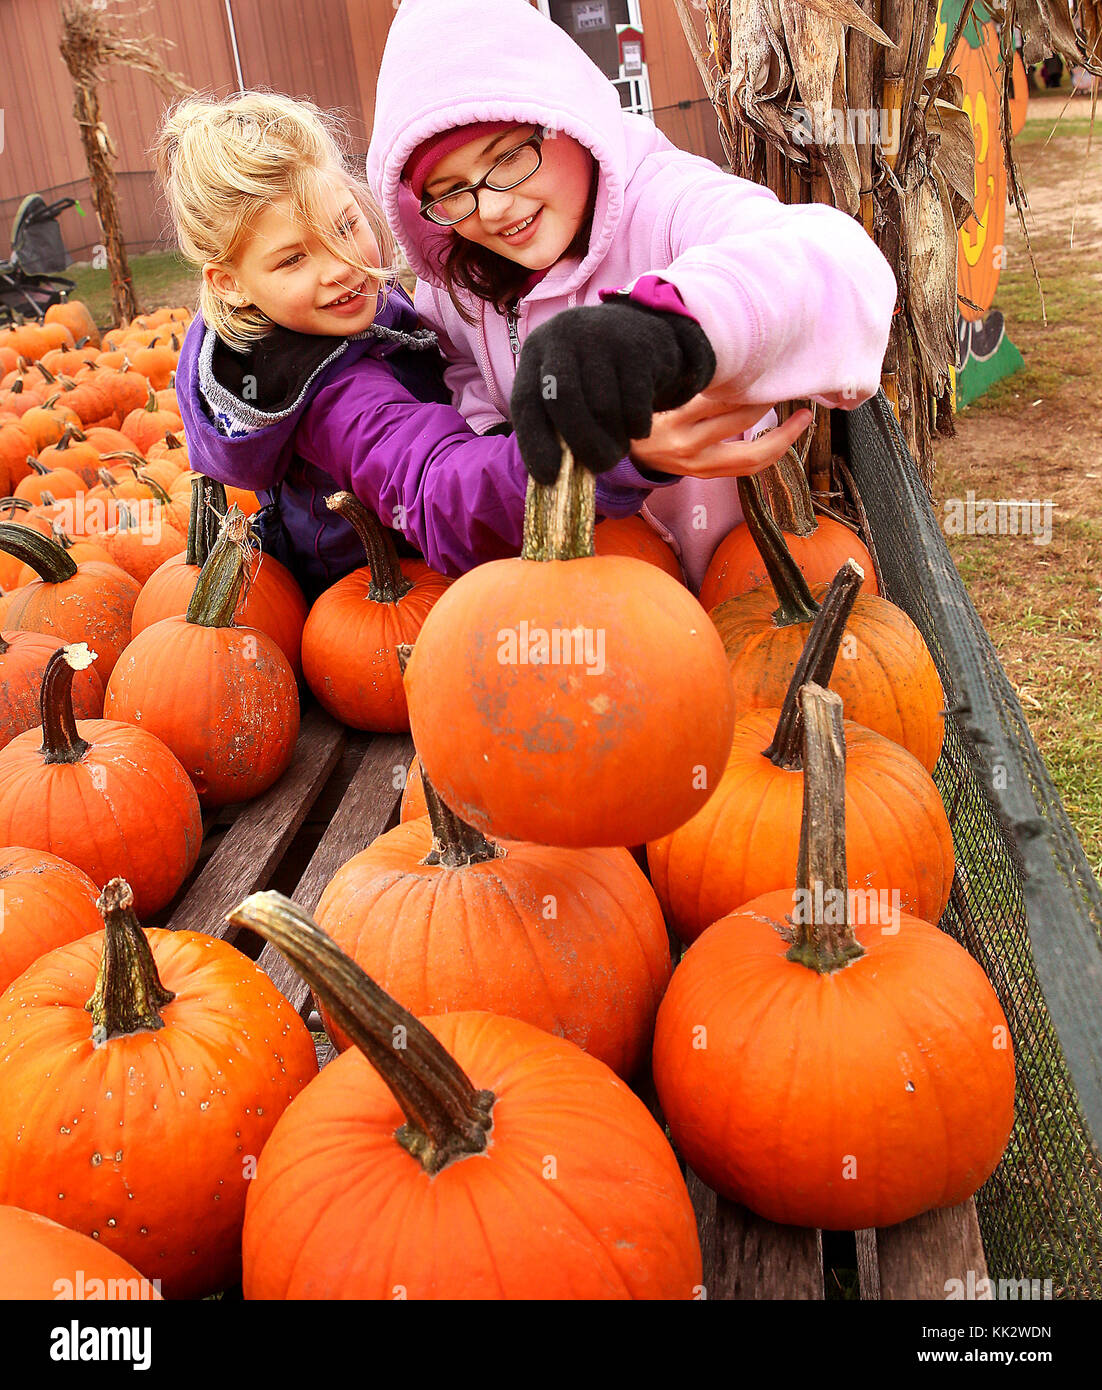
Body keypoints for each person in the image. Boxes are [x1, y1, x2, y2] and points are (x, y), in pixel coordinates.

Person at [158, 92, 804, 599]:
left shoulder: (342, 315)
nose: (340, 267)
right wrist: (603, 452)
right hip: (409, 594)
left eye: (344, 225)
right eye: (293, 258)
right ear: (231, 286)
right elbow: (439, 493)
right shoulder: (336, 396)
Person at [367, 0, 898, 591]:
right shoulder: (459, 288)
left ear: (566, 117)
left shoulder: (665, 207)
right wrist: (504, 438)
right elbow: (466, 376)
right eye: (451, 192)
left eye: (509, 158)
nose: (491, 209)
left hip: (740, 587)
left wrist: (662, 333)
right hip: (583, 605)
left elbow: (839, 264)